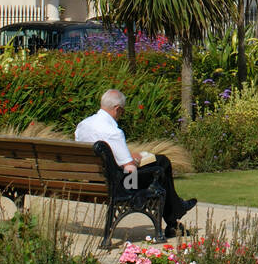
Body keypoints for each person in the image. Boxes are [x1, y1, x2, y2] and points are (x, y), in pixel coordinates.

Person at [75, 89, 196, 238]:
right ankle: (176, 212)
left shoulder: (83, 125)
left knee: (159, 163)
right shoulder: (113, 131)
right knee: (161, 165)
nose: (121, 115)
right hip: (119, 185)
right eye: (122, 112)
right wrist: (136, 161)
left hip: (92, 181)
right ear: (117, 109)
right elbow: (129, 169)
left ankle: (175, 216)